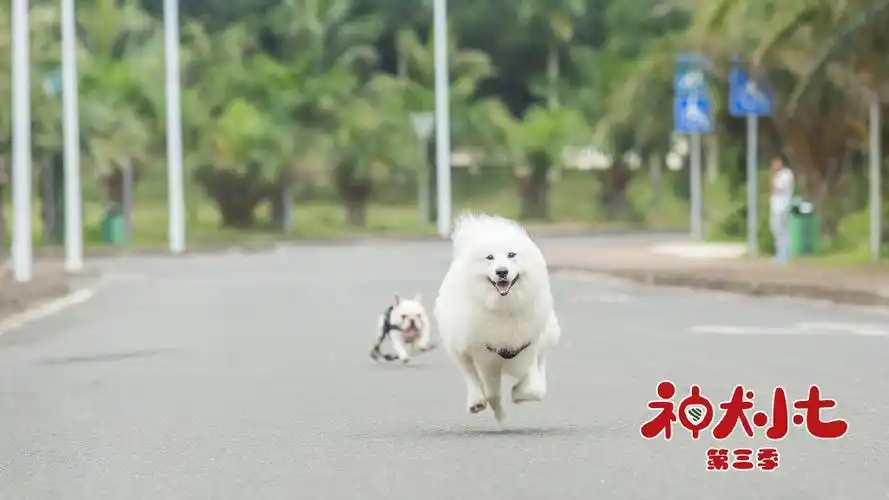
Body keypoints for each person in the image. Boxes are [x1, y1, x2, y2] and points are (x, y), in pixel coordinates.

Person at [769, 154, 795, 262]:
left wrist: (774, 185)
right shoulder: (777, 175)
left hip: (783, 206)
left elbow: (778, 188)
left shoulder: (786, 174)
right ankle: (780, 252)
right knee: (775, 228)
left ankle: (784, 254)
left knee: (781, 229)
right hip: (775, 206)